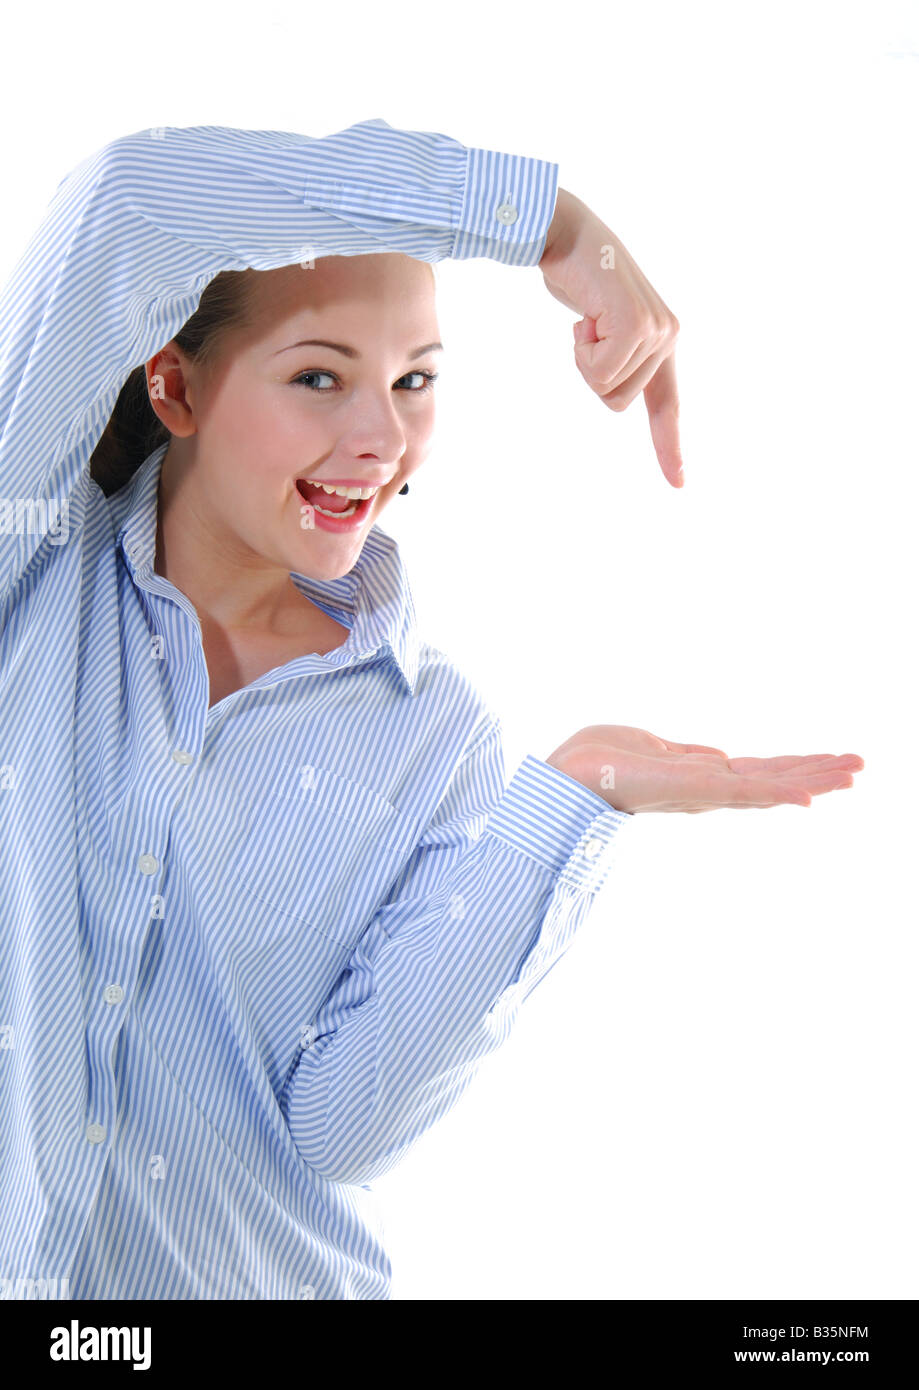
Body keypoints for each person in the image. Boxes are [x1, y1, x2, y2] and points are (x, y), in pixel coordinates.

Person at [0, 118, 862, 1301]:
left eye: (414, 380)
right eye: (319, 376)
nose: (381, 439)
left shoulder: (436, 733)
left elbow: (339, 1132)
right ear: (176, 383)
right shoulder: (35, 576)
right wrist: (552, 225)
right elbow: (124, 197)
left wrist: (562, 806)